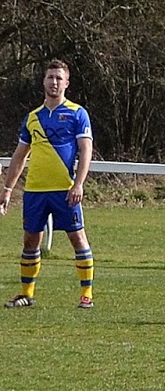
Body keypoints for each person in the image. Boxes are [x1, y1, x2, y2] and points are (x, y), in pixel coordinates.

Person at [0, 59, 96, 309]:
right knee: (30, 241)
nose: (54, 82)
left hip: (65, 189)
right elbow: (20, 156)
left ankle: (86, 295)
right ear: (43, 81)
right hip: (35, 191)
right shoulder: (33, 117)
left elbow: (86, 150)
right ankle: (26, 294)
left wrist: (78, 184)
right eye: (50, 77)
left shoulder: (77, 113)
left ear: (66, 83)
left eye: (58, 78)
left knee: (77, 237)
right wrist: (7, 189)